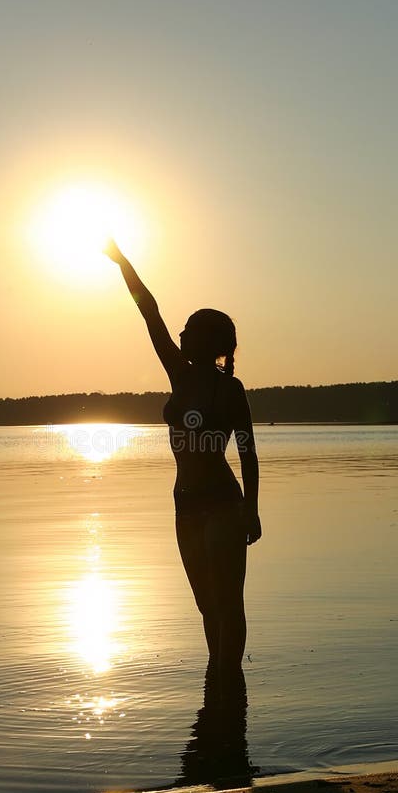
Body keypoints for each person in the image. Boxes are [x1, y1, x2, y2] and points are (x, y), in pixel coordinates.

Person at [105, 240, 261, 676]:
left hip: (223, 505)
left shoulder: (231, 390)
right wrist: (122, 262)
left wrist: (251, 510)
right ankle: (218, 678)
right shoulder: (179, 373)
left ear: (208, 341)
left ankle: (229, 681)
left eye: (189, 329)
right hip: (185, 505)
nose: (180, 334)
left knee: (228, 602)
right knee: (206, 605)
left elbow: (248, 454)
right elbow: (149, 312)